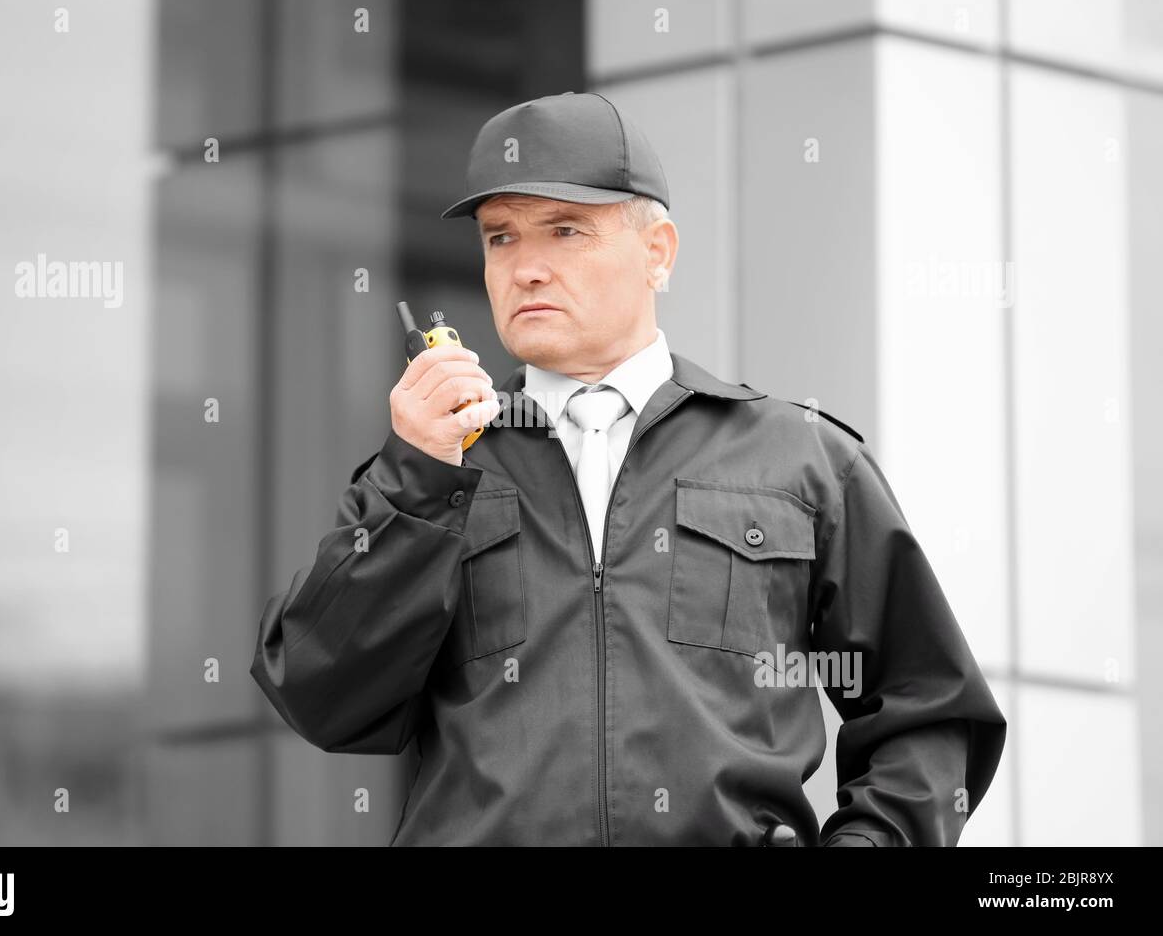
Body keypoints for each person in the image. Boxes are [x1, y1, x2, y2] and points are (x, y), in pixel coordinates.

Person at [250, 91, 1006, 846]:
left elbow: (931, 712)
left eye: (566, 230)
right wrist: (417, 477)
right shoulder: (433, 468)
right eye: (501, 237)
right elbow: (323, 698)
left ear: (658, 253)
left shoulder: (799, 458)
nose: (526, 269)